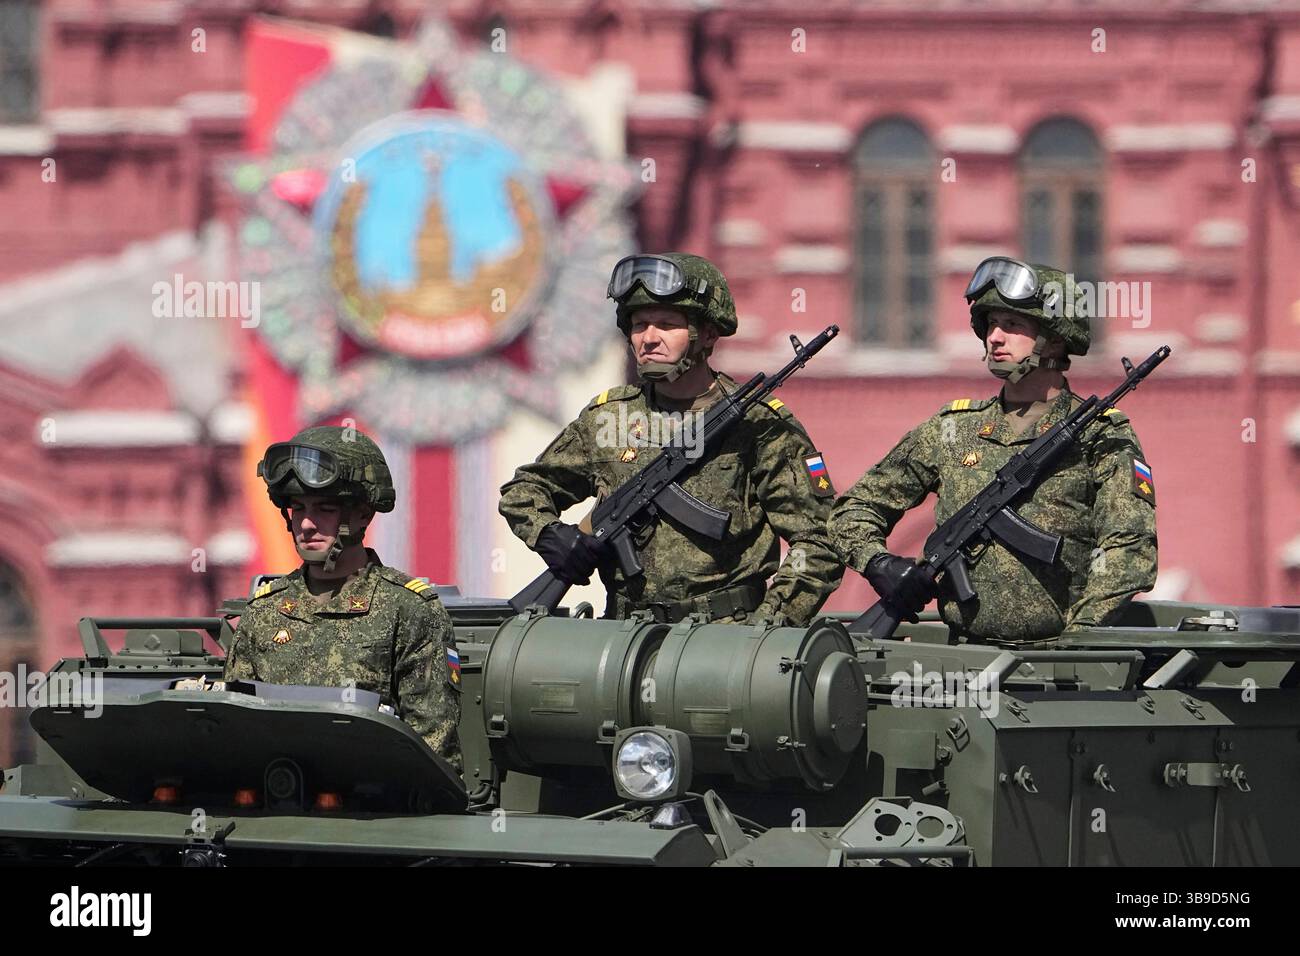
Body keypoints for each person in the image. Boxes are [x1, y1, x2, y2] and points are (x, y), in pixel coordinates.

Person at [499, 252, 843, 625]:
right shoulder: (609, 418)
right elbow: (526, 490)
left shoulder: (759, 424)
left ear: (706, 333)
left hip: (725, 640)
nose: (649, 338)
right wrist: (552, 536)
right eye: (639, 324)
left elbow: (819, 541)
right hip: (622, 638)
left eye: (666, 324)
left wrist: (769, 625)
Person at [828, 257, 1158, 646]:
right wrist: (878, 562)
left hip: (1054, 668)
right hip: (959, 662)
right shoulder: (953, 428)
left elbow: (1130, 550)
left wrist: (1078, 642)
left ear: (1054, 337)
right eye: (991, 325)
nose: (994, 337)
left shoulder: (1100, 435)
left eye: (1013, 325)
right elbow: (853, 509)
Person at [223, 425, 462, 771]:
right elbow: (235, 731)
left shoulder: (408, 611)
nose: (306, 524)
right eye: (298, 508)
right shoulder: (265, 611)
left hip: (374, 816)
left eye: (325, 509)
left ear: (363, 514)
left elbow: (434, 755)